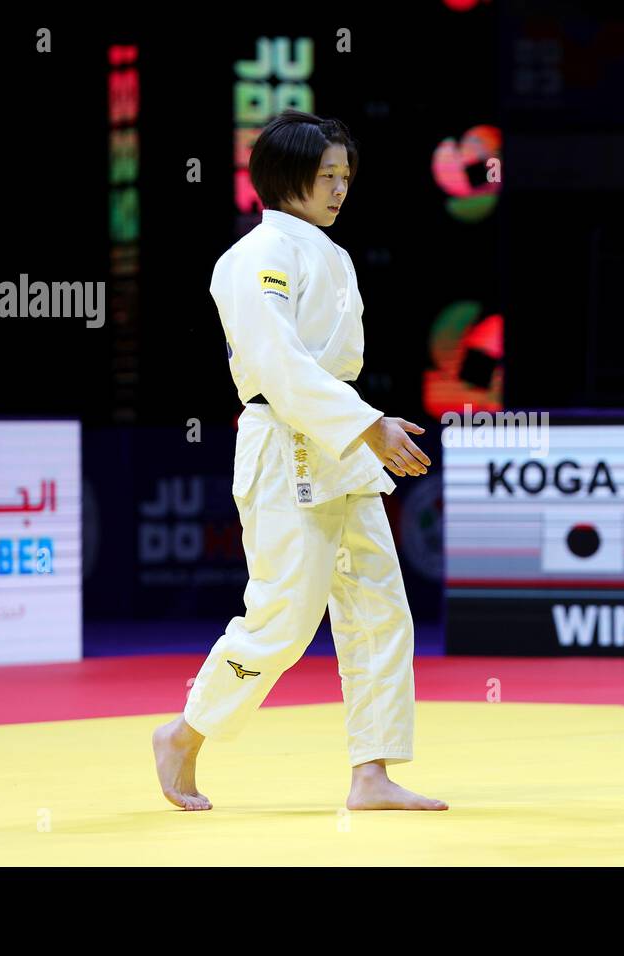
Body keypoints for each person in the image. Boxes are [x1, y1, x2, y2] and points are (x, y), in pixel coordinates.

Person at [153, 109, 447, 812]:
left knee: (379, 607)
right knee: (284, 618)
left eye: (347, 176)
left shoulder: (331, 254)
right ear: (286, 178)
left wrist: (363, 425)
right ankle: (186, 732)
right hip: (285, 441)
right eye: (327, 176)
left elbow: (327, 371)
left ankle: (371, 772)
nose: (341, 189)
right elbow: (282, 367)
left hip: (336, 441)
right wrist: (367, 425)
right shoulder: (253, 258)